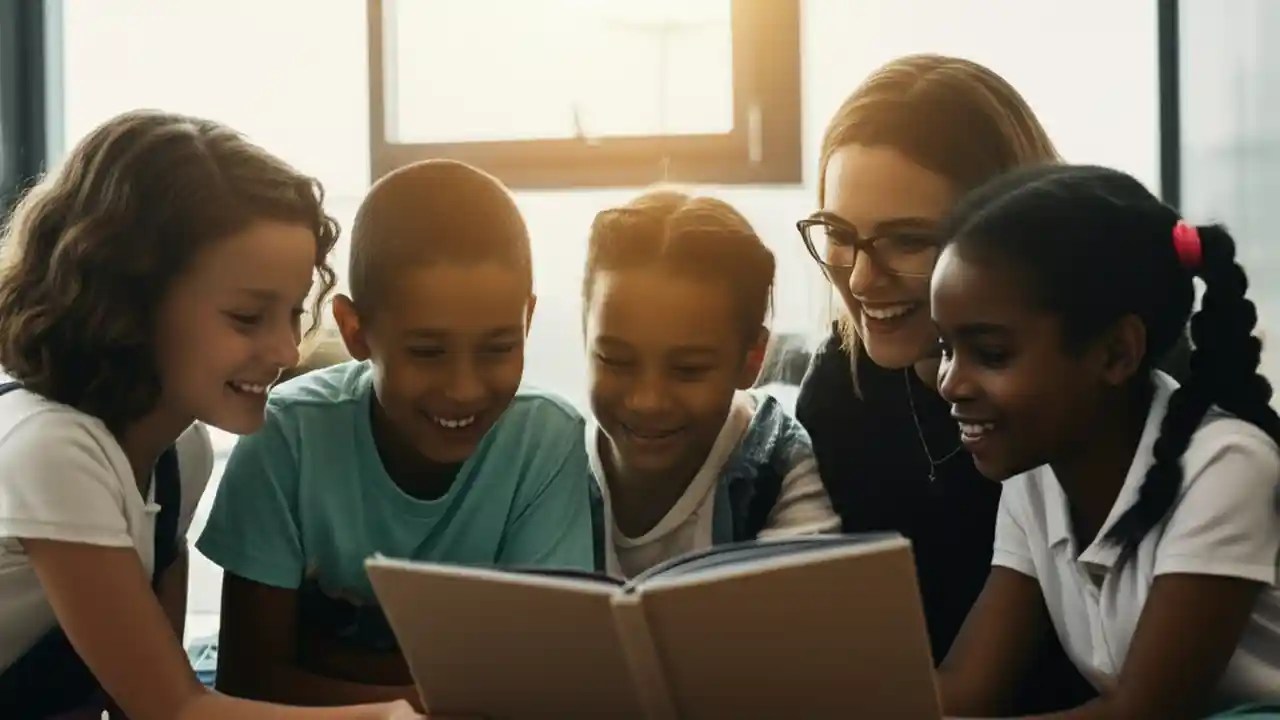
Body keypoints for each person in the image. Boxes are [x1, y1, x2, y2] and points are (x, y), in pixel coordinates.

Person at [0, 110, 421, 719]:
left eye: (293, 313)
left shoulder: (180, 456)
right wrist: (396, 716)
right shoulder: (53, 450)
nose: (287, 352)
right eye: (247, 318)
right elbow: (174, 708)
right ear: (130, 301)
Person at [199, 159, 595, 707]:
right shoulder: (284, 436)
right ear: (355, 331)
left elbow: (542, 674)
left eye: (498, 348)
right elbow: (247, 679)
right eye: (427, 352)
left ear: (527, 319)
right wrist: (448, 692)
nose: (464, 389)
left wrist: (319, 657)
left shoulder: (545, 441)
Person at [793, 54, 1094, 710]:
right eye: (839, 234)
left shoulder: (1090, 400)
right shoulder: (842, 393)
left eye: (906, 241)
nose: (861, 279)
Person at [934, 163, 1280, 718]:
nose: (950, 382)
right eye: (946, 348)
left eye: (991, 354)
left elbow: (1141, 714)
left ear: (1117, 353)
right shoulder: (1035, 475)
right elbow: (966, 691)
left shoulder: (1226, 466)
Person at [582, 189, 839, 577]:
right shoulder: (545, 465)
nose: (647, 400)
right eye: (615, 360)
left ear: (752, 359)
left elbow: (802, 605)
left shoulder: (776, 469)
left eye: (688, 370)